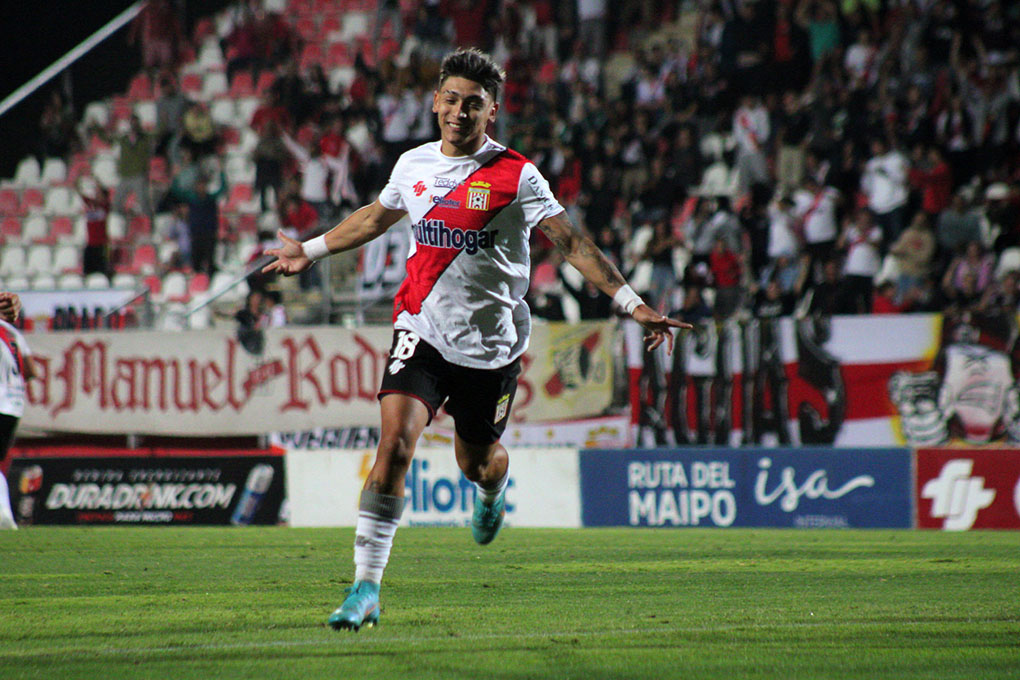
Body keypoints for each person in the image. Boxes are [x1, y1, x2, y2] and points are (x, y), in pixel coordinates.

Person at [263, 48, 689, 632]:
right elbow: (373, 218)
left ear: (493, 110)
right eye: (451, 100)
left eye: (473, 103)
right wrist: (308, 251)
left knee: (478, 463)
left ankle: (492, 493)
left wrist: (631, 304)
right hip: (421, 329)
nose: (459, 112)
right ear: (435, 101)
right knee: (393, 445)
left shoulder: (517, 174)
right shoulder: (413, 166)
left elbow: (571, 243)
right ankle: (365, 587)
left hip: (490, 348)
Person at [0, 315, 37, 529]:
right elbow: (31, 371)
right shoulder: (13, 333)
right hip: (15, 403)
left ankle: (4, 514)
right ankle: (4, 514)